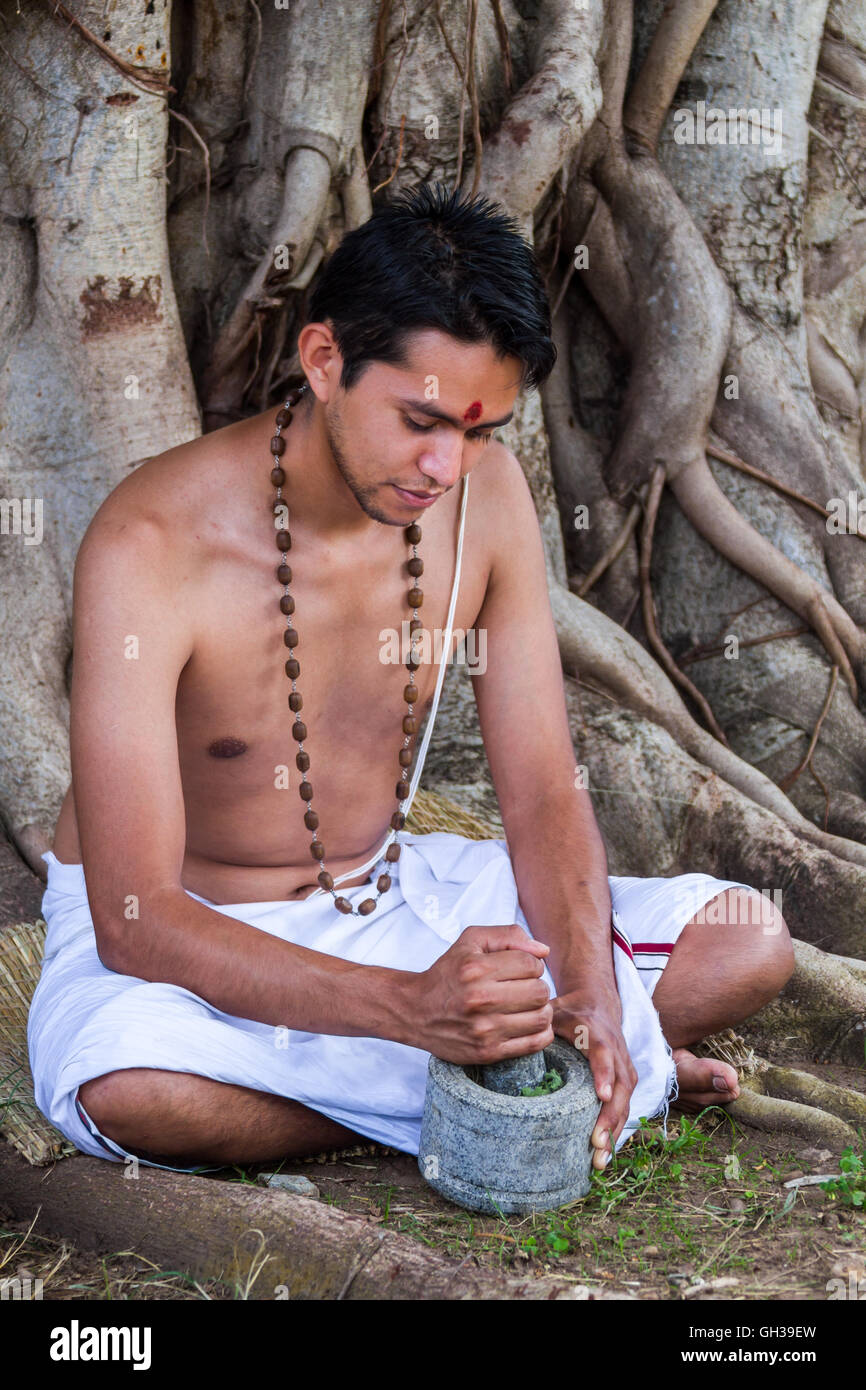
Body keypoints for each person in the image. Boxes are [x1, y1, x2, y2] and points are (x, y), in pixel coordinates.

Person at [28, 184, 794, 1178]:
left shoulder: (486, 492)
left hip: (389, 898)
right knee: (135, 1096)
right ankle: (503, 1086)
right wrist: (412, 1010)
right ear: (323, 361)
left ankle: (508, 1065)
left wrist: (593, 996)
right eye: (422, 420)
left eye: (480, 430)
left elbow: (536, 788)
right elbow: (136, 920)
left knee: (748, 942)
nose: (447, 464)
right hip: (190, 942)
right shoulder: (152, 541)